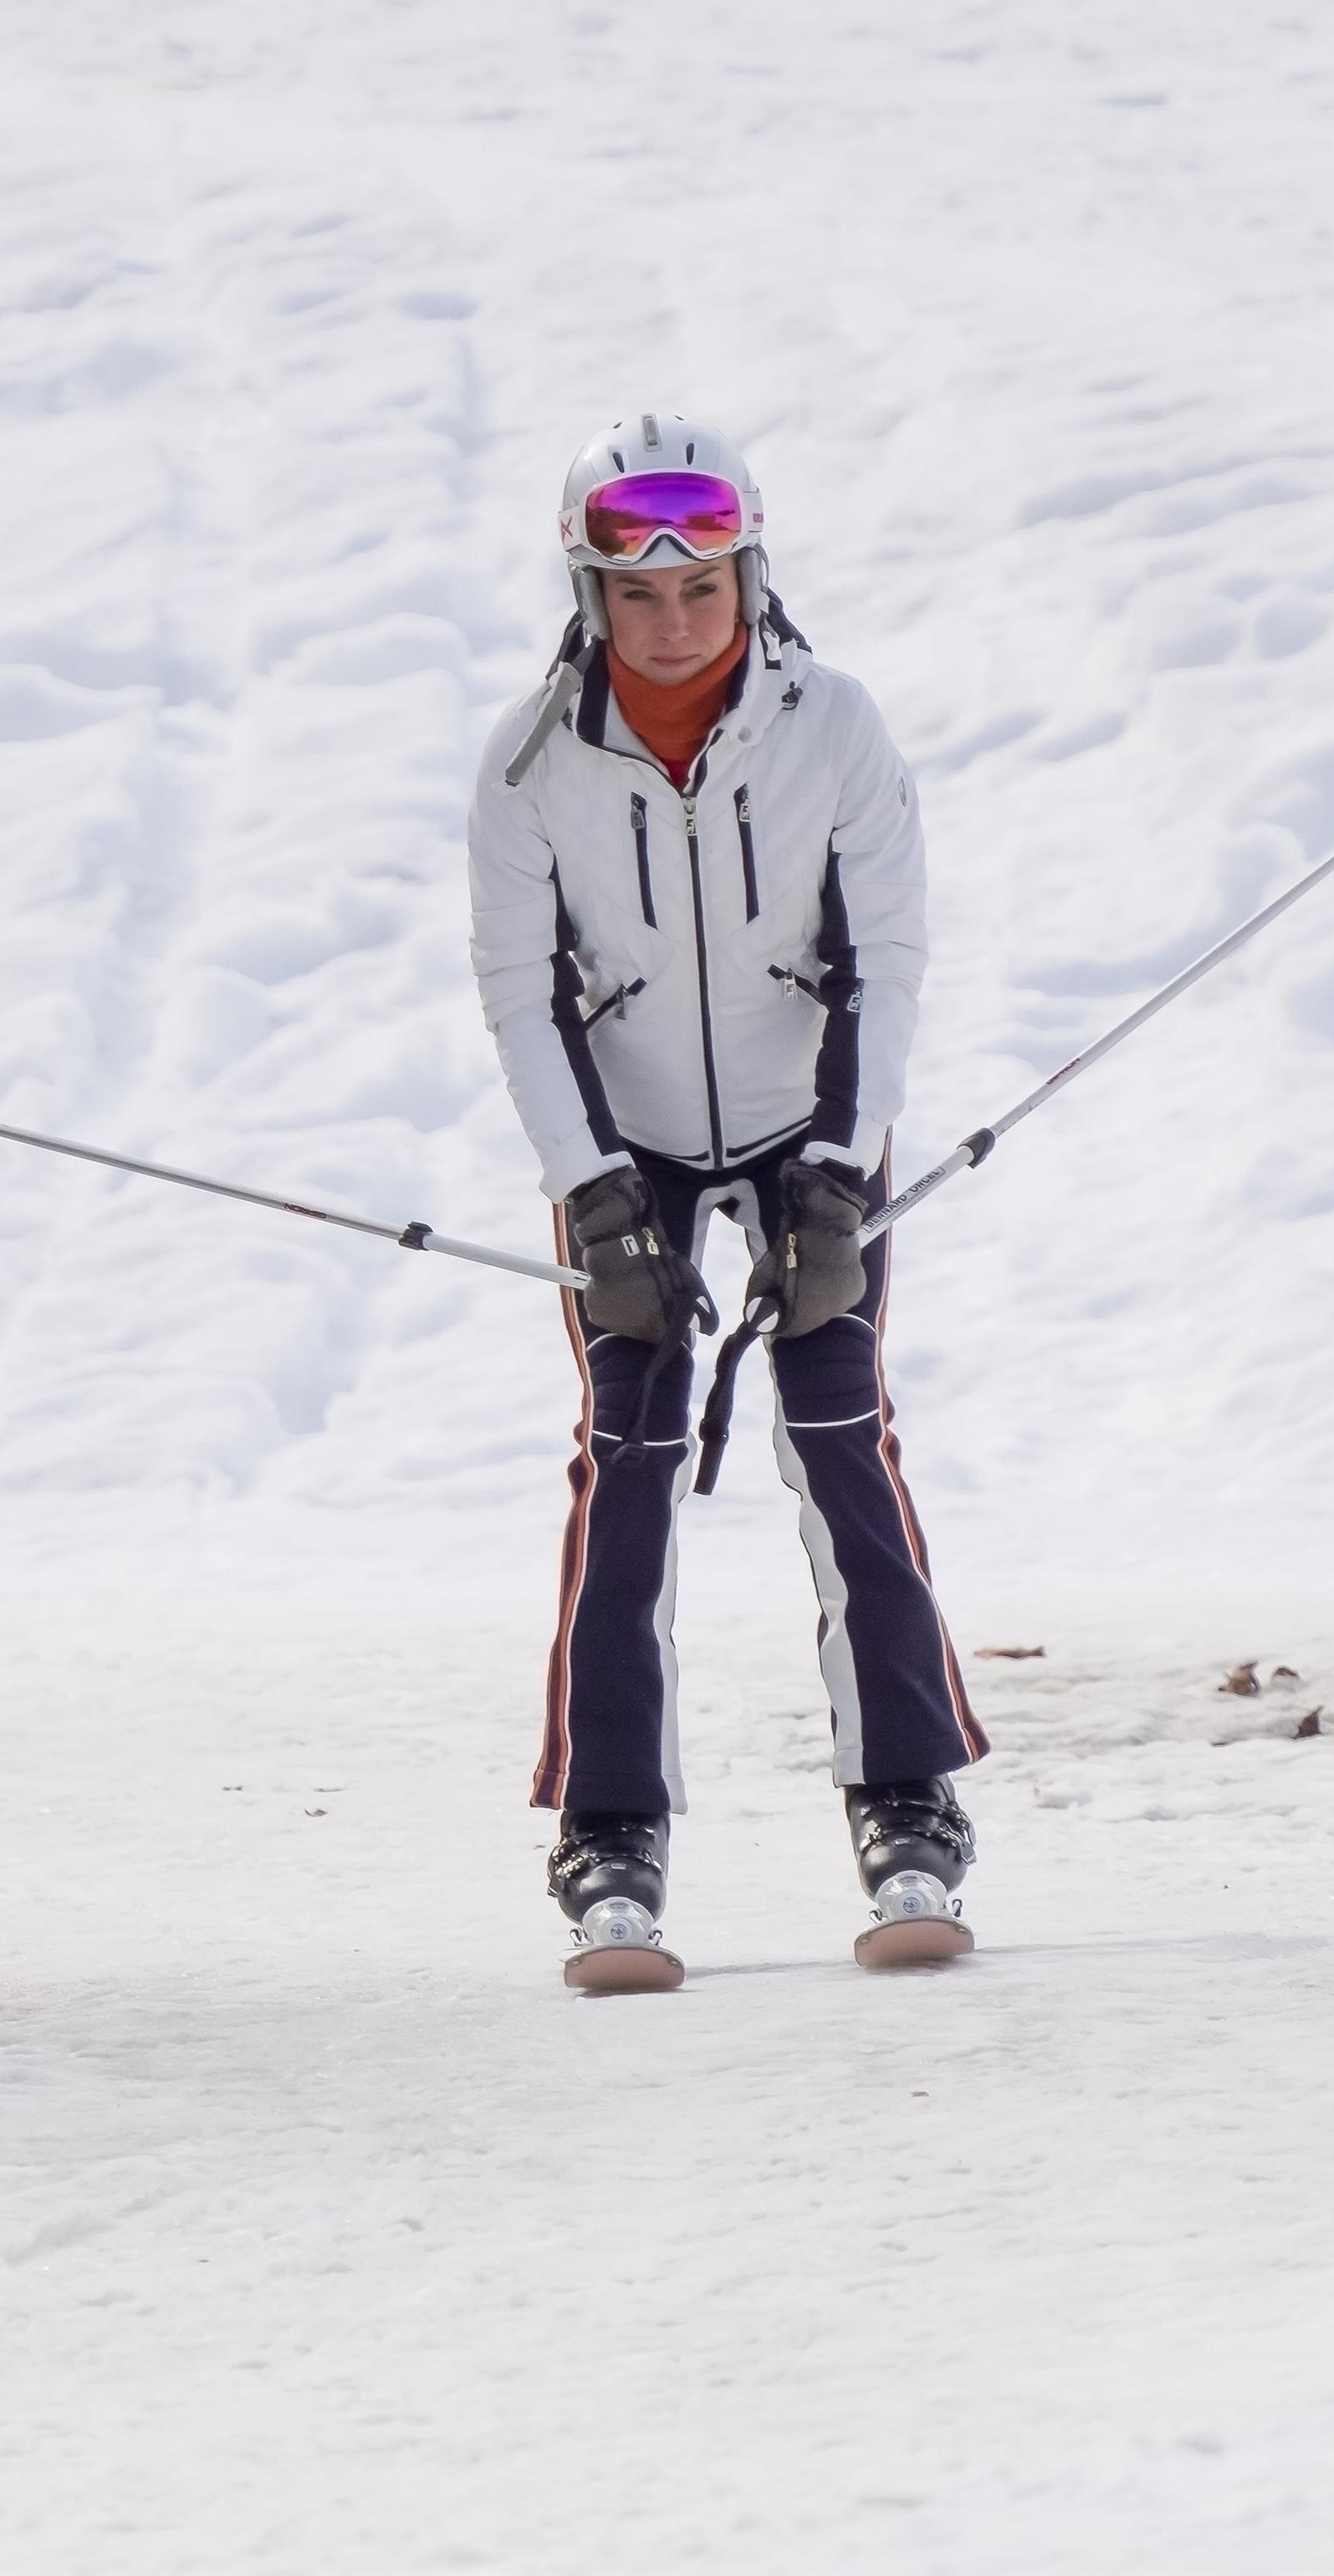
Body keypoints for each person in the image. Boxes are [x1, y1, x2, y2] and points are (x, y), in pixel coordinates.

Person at [468, 413, 989, 1984]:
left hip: (802, 1127)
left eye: (703, 588)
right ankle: (608, 1825)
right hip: (624, 1146)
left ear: (750, 578)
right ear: (591, 597)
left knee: (838, 1428)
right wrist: (595, 1204)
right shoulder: (526, 764)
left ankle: (910, 1804)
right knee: (625, 1450)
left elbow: (881, 961)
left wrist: (836, 1178)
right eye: (638, 594)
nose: (674, 619)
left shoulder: (833, 724)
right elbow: (521, 999)